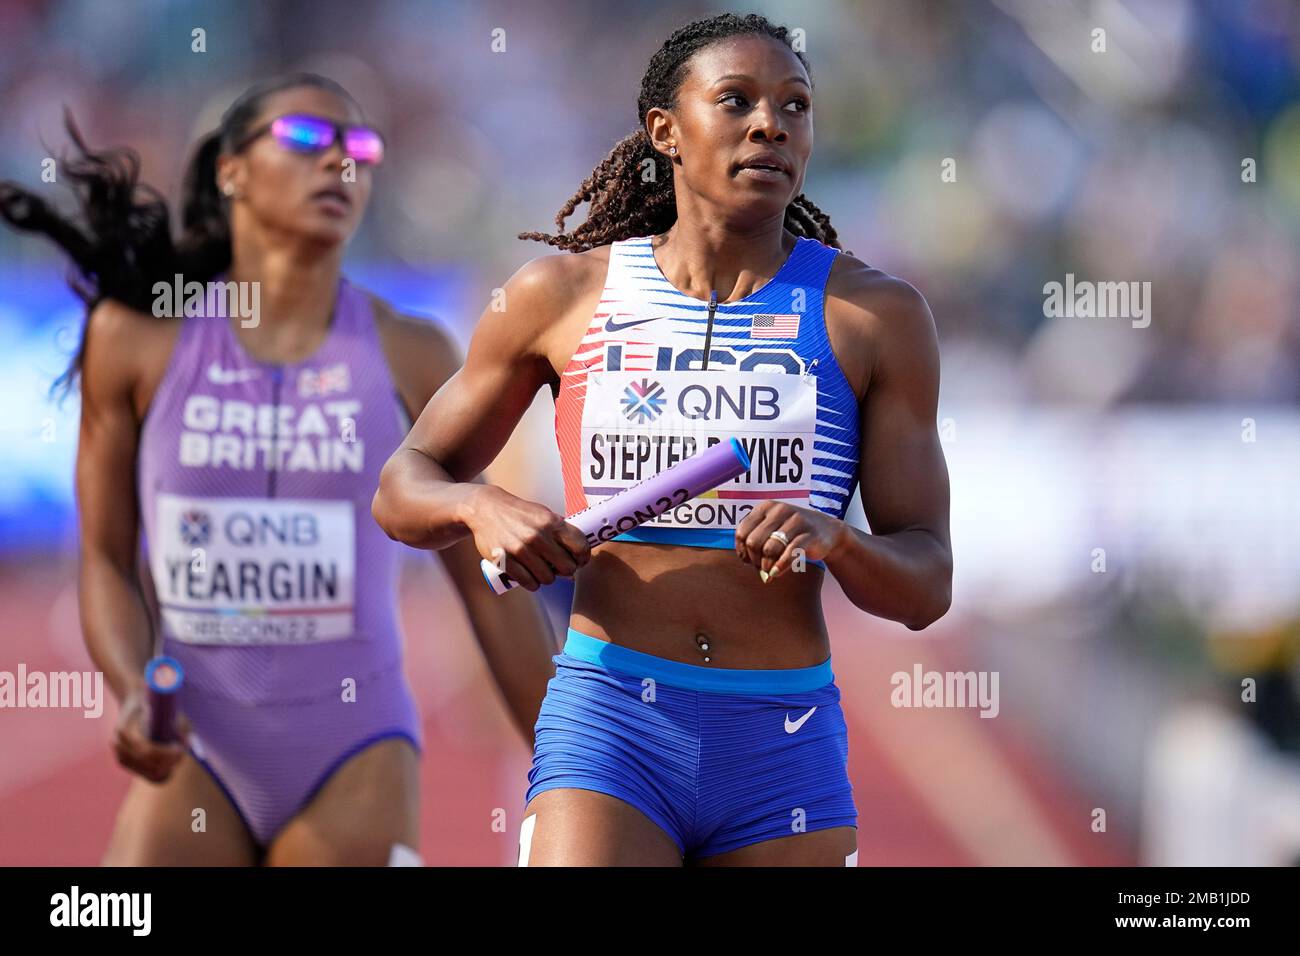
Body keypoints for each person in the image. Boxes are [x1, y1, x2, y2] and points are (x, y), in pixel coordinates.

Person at [372, 13, 952, 867]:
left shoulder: (873, 317)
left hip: (782, 736)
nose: (772, 124)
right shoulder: (560, 297)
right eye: (736, 100)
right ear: (664, 132)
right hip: (610, 725)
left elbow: (926, 584)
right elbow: (401, 488)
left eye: (796, 106)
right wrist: (482, 506)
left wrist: (838, 539)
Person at [0, 73, 557, 866]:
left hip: (354, 749)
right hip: (196, 747)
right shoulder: (135, 339)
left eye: (360, 149)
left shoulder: (409, 350)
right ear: (230, 169)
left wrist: (574, 769)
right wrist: (130, 689)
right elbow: (103, 560)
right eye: (305, 141)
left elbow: (485, 582)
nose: (340, 163)